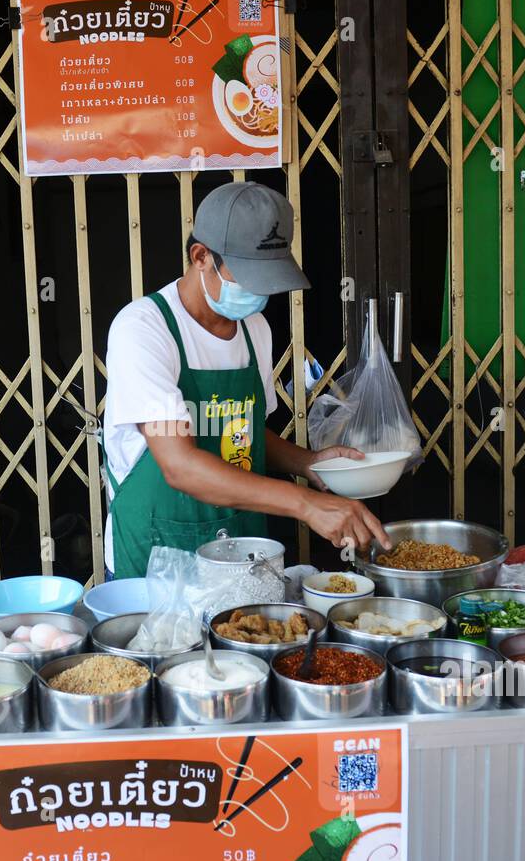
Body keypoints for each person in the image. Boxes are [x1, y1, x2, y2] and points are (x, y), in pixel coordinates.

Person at [101, 182, 391, 578]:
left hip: (240, 549)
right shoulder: (144, 328)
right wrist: (305, 503)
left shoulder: (254, 328)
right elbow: (179, 465)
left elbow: (245, 430)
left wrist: (308, 463)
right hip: (158, 556)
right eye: (249, 275)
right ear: (201, 257)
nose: (260, 291)